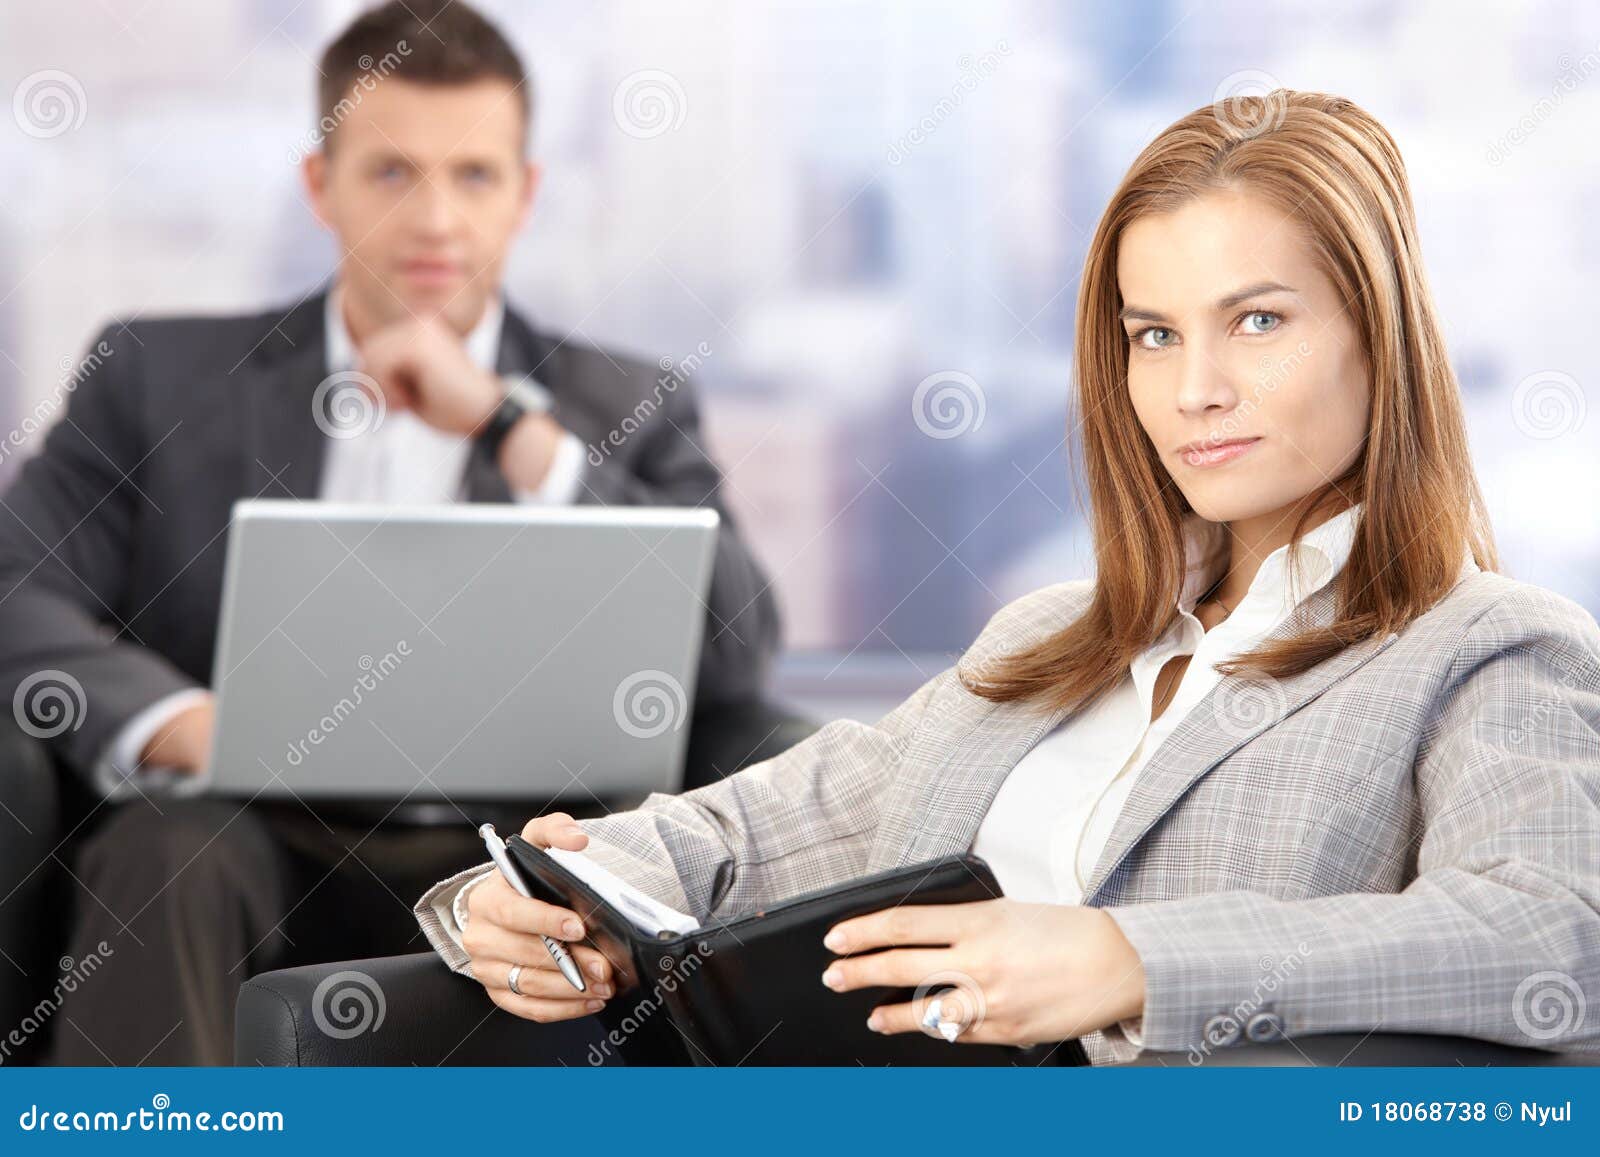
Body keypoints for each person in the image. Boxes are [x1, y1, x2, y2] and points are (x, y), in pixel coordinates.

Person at [416, 90, 1600, 1065]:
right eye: (1153, 334)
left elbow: (1555, 937)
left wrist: (1129, 959)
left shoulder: (1487, 645)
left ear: (1376, 337)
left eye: (1256, 321)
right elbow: (749, 830)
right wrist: (536, 897)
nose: (1194, 389)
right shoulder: (1051, 640)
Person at [0, 0, 778, 1066]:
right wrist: (180, 720)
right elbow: (17, 585)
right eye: (391, 172)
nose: (436, 222)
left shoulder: (621, 404)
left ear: (524, 194)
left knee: (584, 877)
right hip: (245, 829)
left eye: (474, 175)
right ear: (320, 185)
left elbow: (738, 647)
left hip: (523, 841)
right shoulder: (156, 375)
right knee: (166, 851)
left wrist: (515, 432)